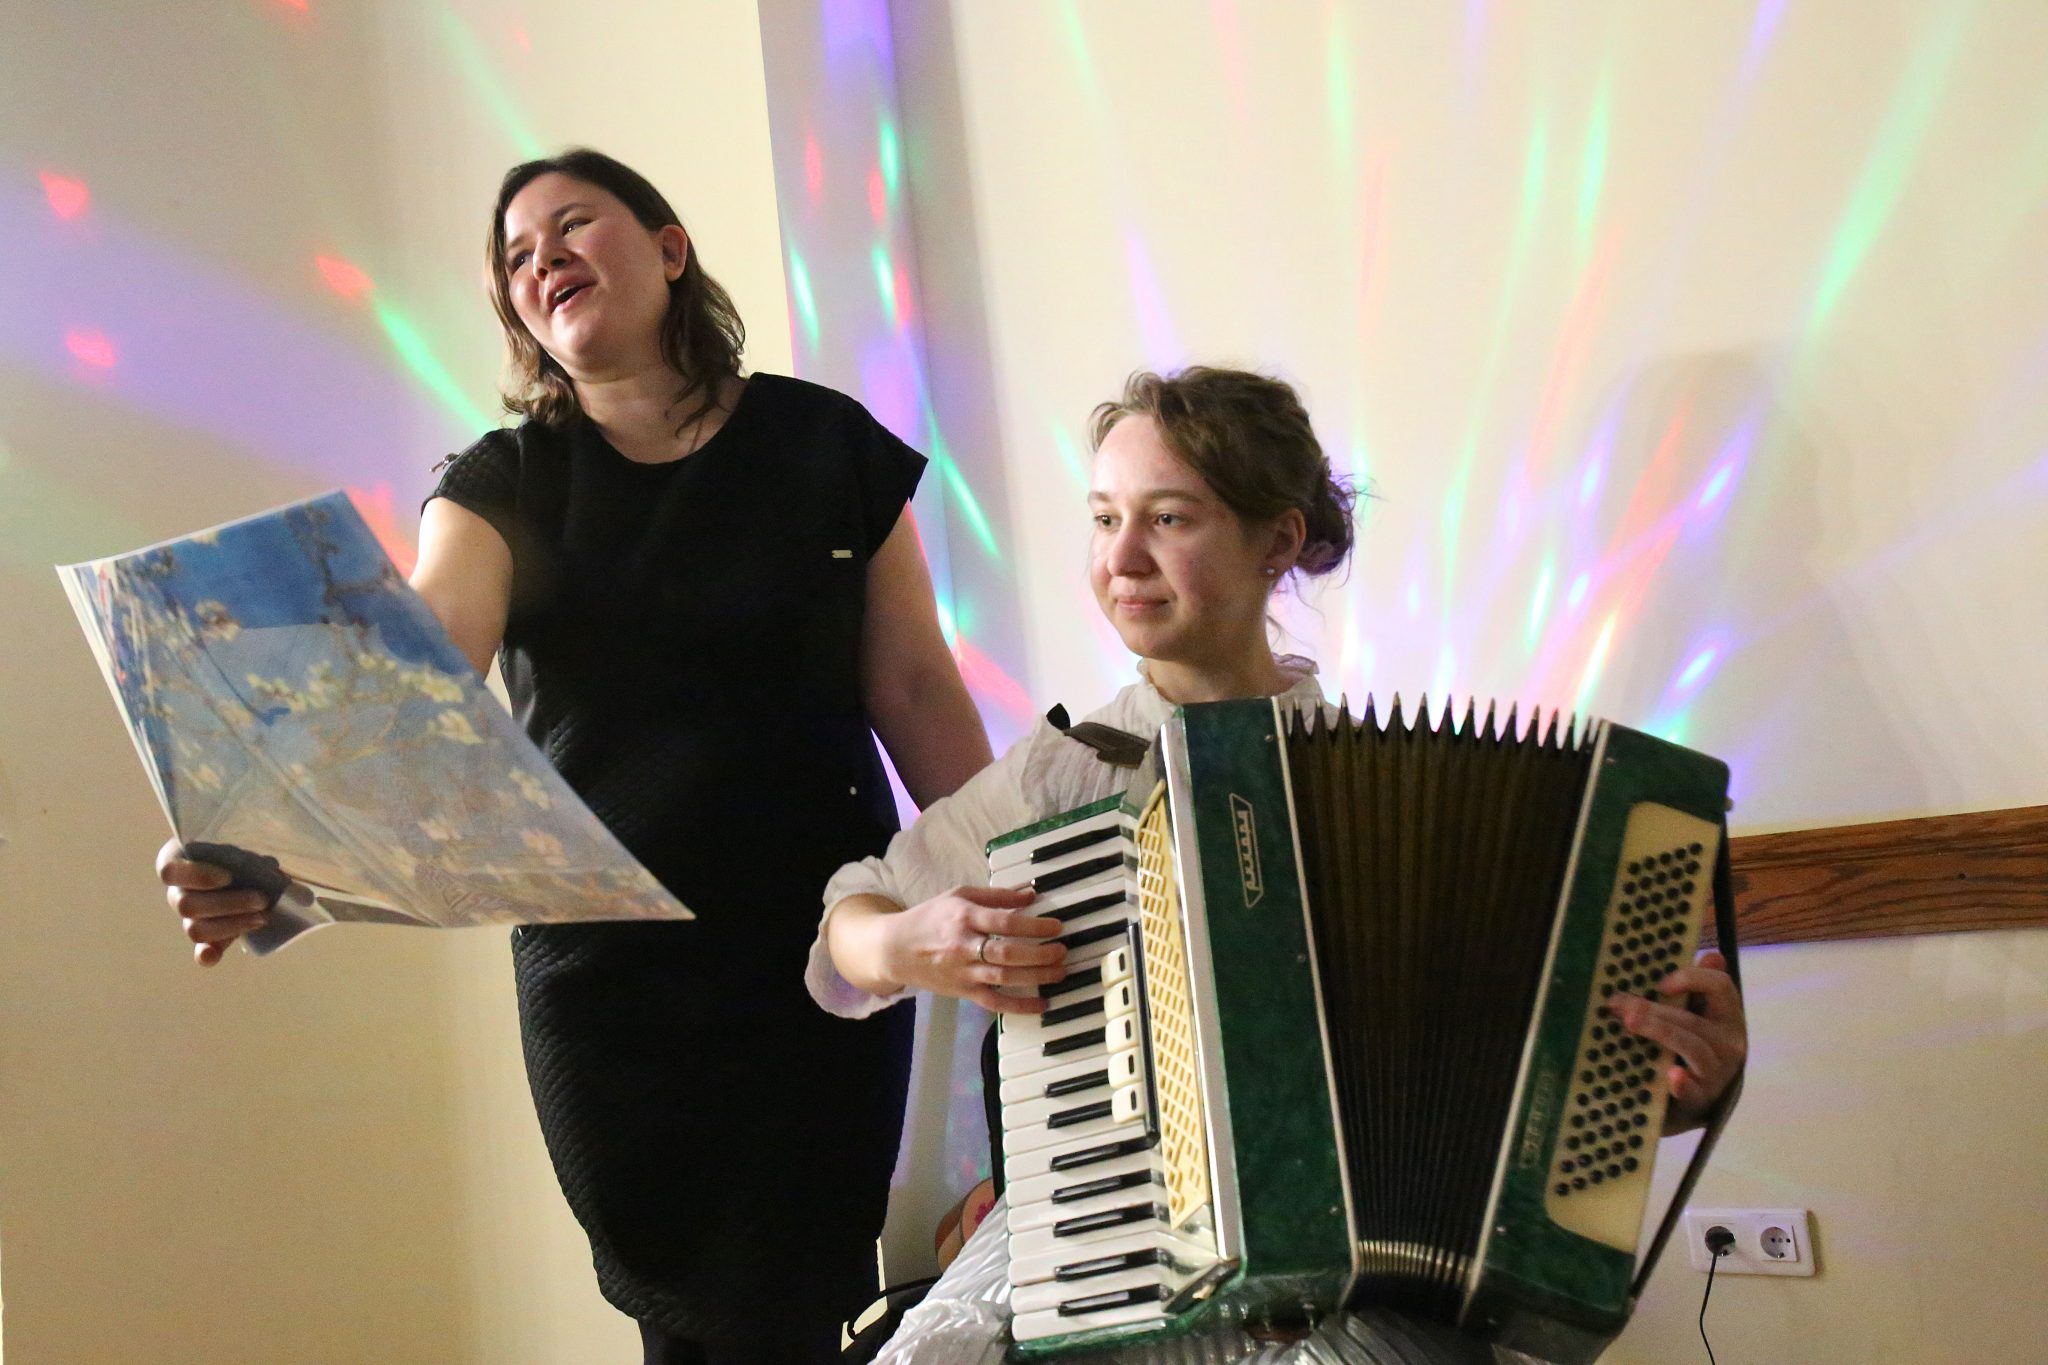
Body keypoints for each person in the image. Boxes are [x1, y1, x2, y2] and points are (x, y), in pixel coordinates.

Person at [158, 148, 994, 1365]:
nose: (540, 258)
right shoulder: (502, 483)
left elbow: (912, 684)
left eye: (571, 225)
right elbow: (422, 679)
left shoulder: (823, 444)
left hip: (822, 952)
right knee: (690, 1312)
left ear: (668, 249)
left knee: (800, 1297)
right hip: (612, 985)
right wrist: (255, 839)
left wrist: (1019, 868)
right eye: (515, 256)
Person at [807, 366, 1747, 1362]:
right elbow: (847, 926)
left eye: (1167, 518)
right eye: (1104, 518)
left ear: (1278, 542)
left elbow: (1538, 1091)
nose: (1120, 557)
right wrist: (902, 943)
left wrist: (1662, 1085)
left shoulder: (1396, 794)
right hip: (1101, 1234)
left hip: (1351, 1291)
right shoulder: (1066, 773)